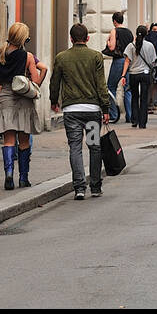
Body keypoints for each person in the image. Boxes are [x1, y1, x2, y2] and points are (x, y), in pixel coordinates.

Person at [49, 23, 113, 200]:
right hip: (92, 111)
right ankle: (95, 186)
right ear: (87, 38)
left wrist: (54, 101)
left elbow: (55, 82)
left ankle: (79, 187)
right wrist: (105, 108)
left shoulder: (62, 57)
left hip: (72, 112)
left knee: (75, 148)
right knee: (94, 147)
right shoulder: (95, 56)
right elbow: (102, 85)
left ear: (71, 39)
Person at [0, 22, 47, 189]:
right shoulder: (27, 56)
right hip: (23, 99)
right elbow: (35, 80)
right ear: (23, 38)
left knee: (8, 140)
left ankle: (8, 175)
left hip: (7, 97)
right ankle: (23, 178)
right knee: (23, 140)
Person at [123, 24, 157, 129]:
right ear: (146, 33)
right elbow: (153, 62)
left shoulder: (130, 46)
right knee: (144, 98)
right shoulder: (150, 45)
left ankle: (134, 120)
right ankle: (143, 122)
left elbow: (127, 61)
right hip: (145, 74)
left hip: (133, 74)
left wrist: (123, 75)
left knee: (134, 97)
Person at [103, 12, 131, 124]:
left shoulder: (114, 31)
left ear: (114, 21)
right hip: (128, 61)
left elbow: (112, 46)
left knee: (111, 87)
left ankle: (113, 114)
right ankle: (130, 116)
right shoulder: (129, 32)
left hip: (119, 61)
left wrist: (108, 41)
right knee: (127, 89)